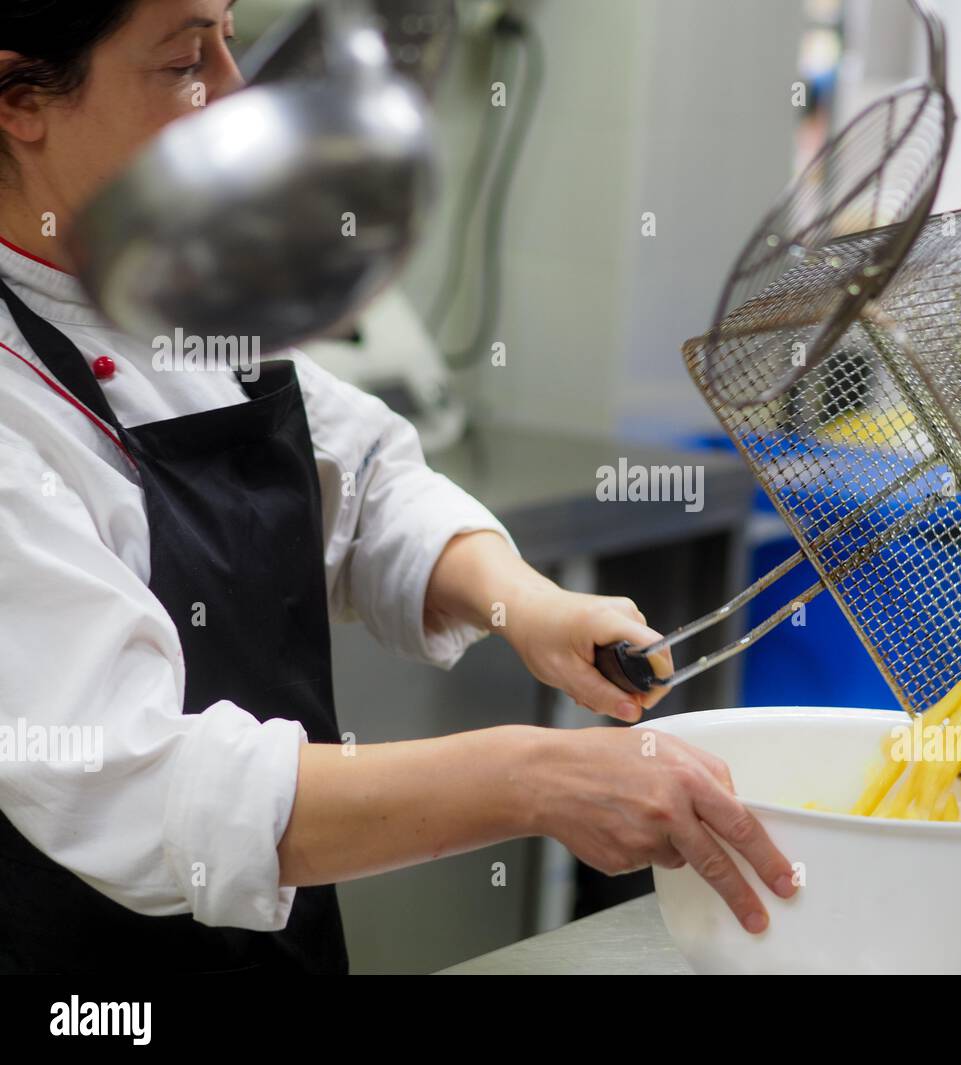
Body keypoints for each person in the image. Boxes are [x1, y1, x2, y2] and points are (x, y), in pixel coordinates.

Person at [0, 0, 795, 974]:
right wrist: (531, 779)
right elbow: (138, 786)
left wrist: (528, 604)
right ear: (23, 99)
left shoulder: (183, 296)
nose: (235, 93)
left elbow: (367, 482)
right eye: (183, 61)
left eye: (230, 39)